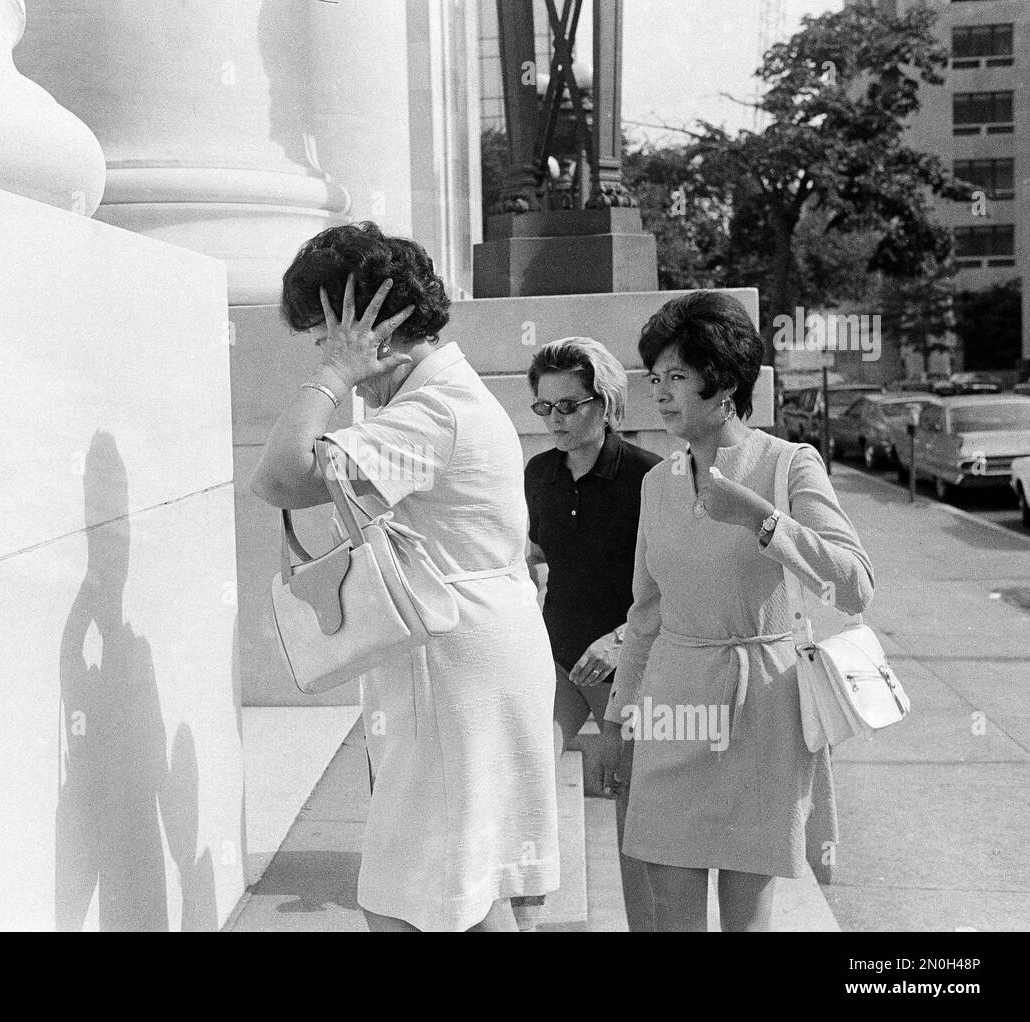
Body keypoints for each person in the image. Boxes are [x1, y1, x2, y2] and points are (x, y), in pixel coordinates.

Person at [251, 222, 560, 932]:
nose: (321, 350)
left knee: (407, 903)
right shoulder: (443, 398)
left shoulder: (432, 410)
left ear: (364, 325)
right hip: (471, 650)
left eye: (323, 333)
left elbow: (278, 478)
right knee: (466, 895)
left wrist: (331, 377)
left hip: (450, 665)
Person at [594, 290, 873, 932]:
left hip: (764, 708)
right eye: (655, 378)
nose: (660, 394)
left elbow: (854, 585)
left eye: (678, 377)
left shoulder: (787, 464)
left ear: (723, 385)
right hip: (671, 707)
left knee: (745, 919)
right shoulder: (656, 483)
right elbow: (644, 615)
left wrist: (762, 519)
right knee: (670, 907)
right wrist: (616, 721)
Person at [512, 337, 659, 932]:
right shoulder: (539, 473)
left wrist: (620, 639)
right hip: (558, 658)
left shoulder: (653, 478)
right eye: (543, 408)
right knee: (521, 774)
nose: (555, 421)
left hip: (631, 666)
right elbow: (534, 556)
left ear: (607, 403)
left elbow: (677, 582)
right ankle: (523, 912)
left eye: (568, 406)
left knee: (632, 807)